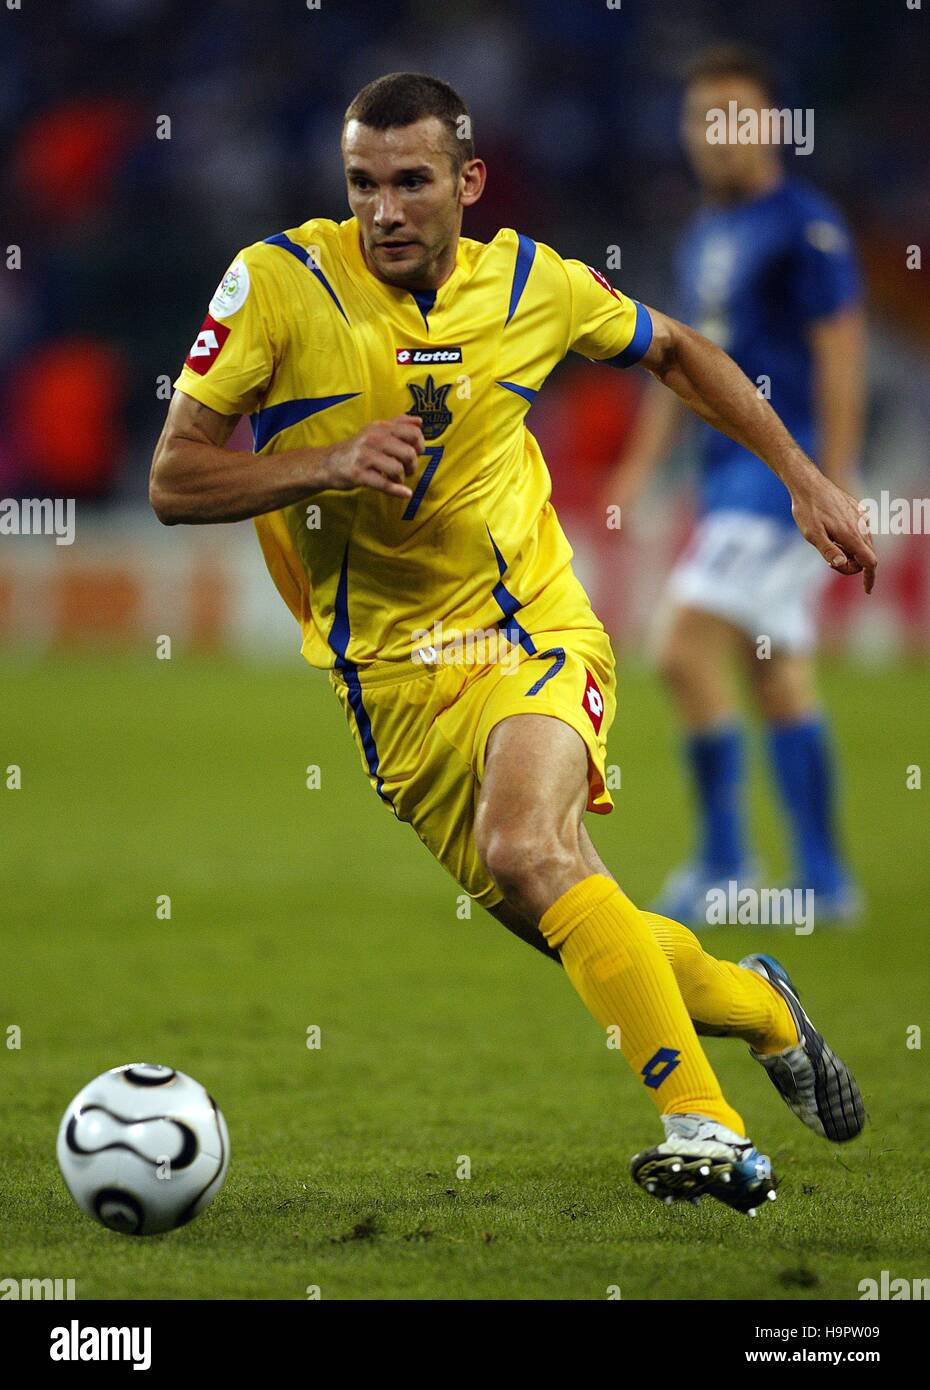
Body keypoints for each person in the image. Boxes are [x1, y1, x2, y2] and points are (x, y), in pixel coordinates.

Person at [151, 73, 872, 1214]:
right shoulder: (277, 284)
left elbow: (677, 349)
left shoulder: (534, 282)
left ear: (467, 183)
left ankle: (708, 1125)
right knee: (576, 909)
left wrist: (804, 476)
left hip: (528, 632)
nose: (384, 209)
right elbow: (174, 479)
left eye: (412, 182)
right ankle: (762, 1006)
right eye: (363, 184)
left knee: (529, 846)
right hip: (387, 687)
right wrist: (325, 463)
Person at [602, 46, 866, 926]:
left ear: (769, 126)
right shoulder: (703, 235)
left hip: (783, 484)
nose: (715, 137)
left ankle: (725, 862)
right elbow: (686, 365)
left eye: (734, 117)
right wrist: (642, 468)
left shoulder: (805, 226)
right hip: (727, 482)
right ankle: (824, 878)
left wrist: (834, 478)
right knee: (775, 671)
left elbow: (841, 351)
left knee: (680, 649)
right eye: (699, 120)